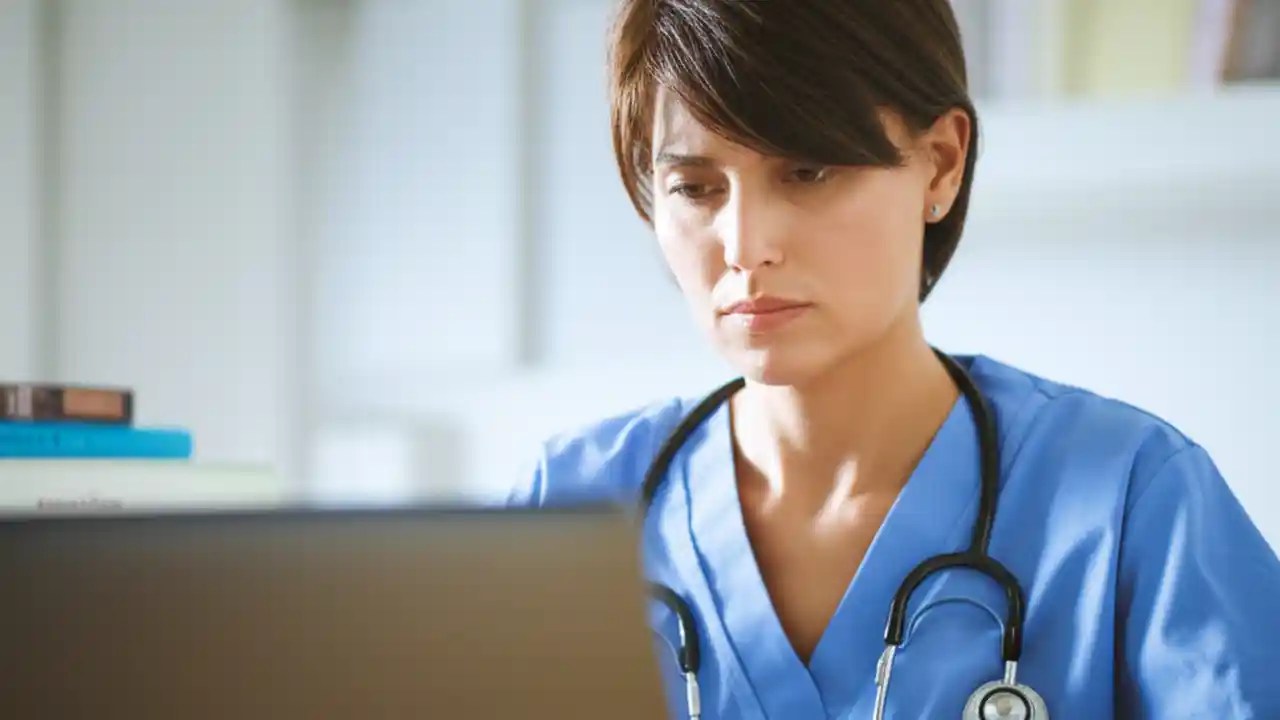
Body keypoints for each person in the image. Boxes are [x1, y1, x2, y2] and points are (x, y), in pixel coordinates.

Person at [507, 1, 1280, 717]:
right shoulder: (565, 510)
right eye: (695, 188)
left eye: (806, 171)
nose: (744, 247)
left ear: (940, 164)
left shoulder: (1131, 500)